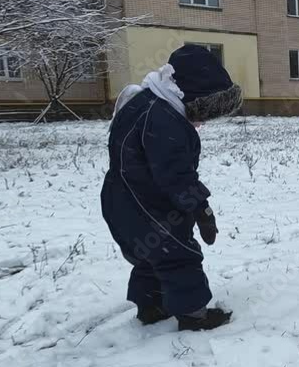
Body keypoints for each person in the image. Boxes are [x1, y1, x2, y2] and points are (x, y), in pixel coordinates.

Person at [101, 44, 243, 331]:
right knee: (178, 255)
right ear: (191, 98)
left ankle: (151, 307)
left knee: (150, 257)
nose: (202, 123)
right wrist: (202, 210)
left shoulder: (145, 102)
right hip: (147, 205)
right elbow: (177, 177)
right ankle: (194, 315)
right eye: (203, 114)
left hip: (122, 199)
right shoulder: (165, 122)